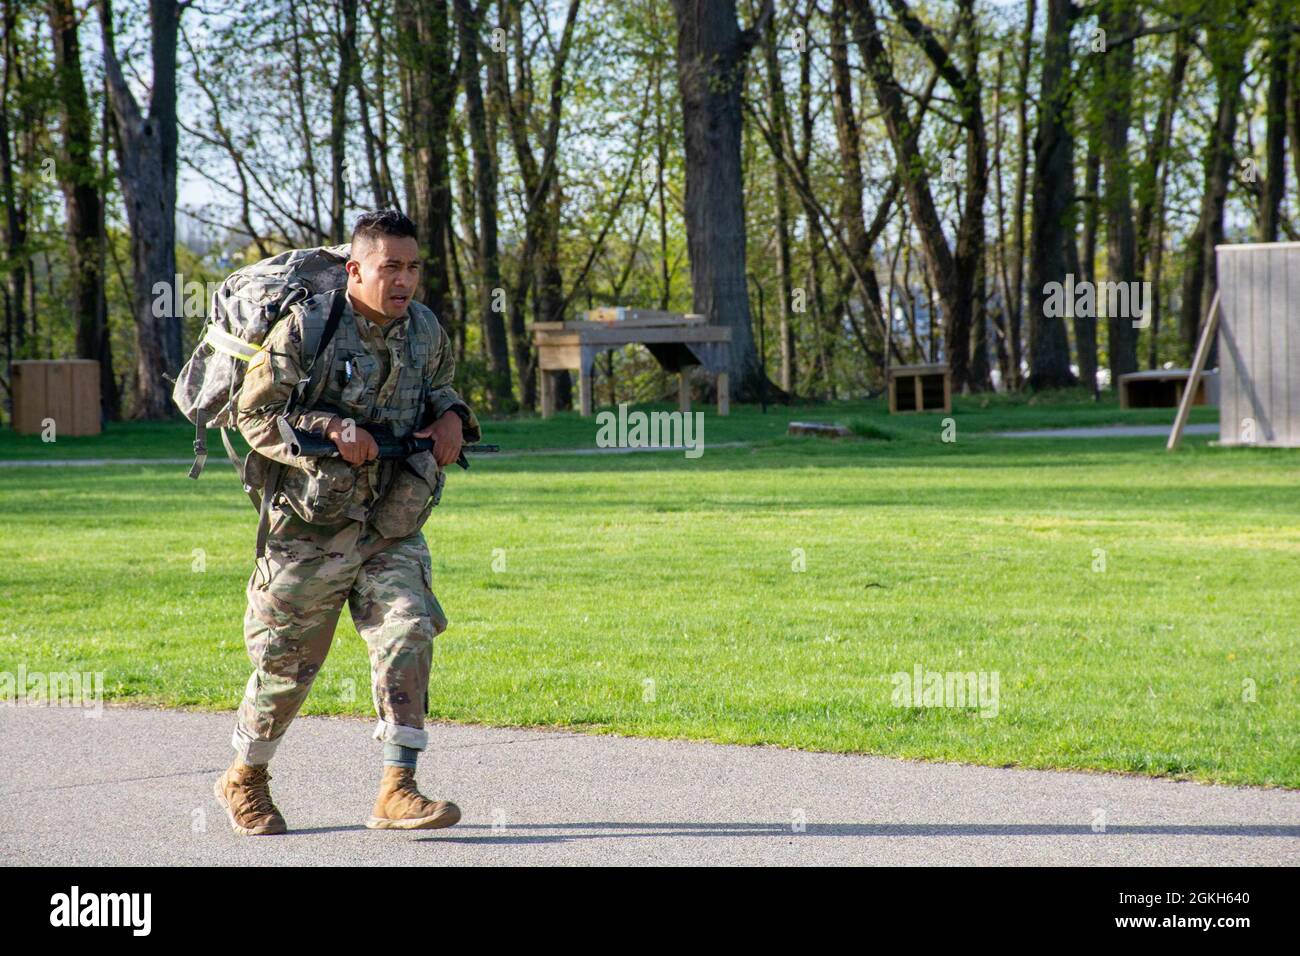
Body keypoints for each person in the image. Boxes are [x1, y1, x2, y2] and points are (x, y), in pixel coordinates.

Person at [212, 210, 480, 835]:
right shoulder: (311, 327)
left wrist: (452, 416)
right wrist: (329, 429)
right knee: (287, 667)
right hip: (311, 526)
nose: (404, 280)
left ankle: (398, 788)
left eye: (413, 267)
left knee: (408, 631)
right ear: (357, 270)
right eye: (391, 267)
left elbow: (439, 385)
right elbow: (252, 417)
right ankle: (244, 778)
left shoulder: (425, 328)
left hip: (390, 523)